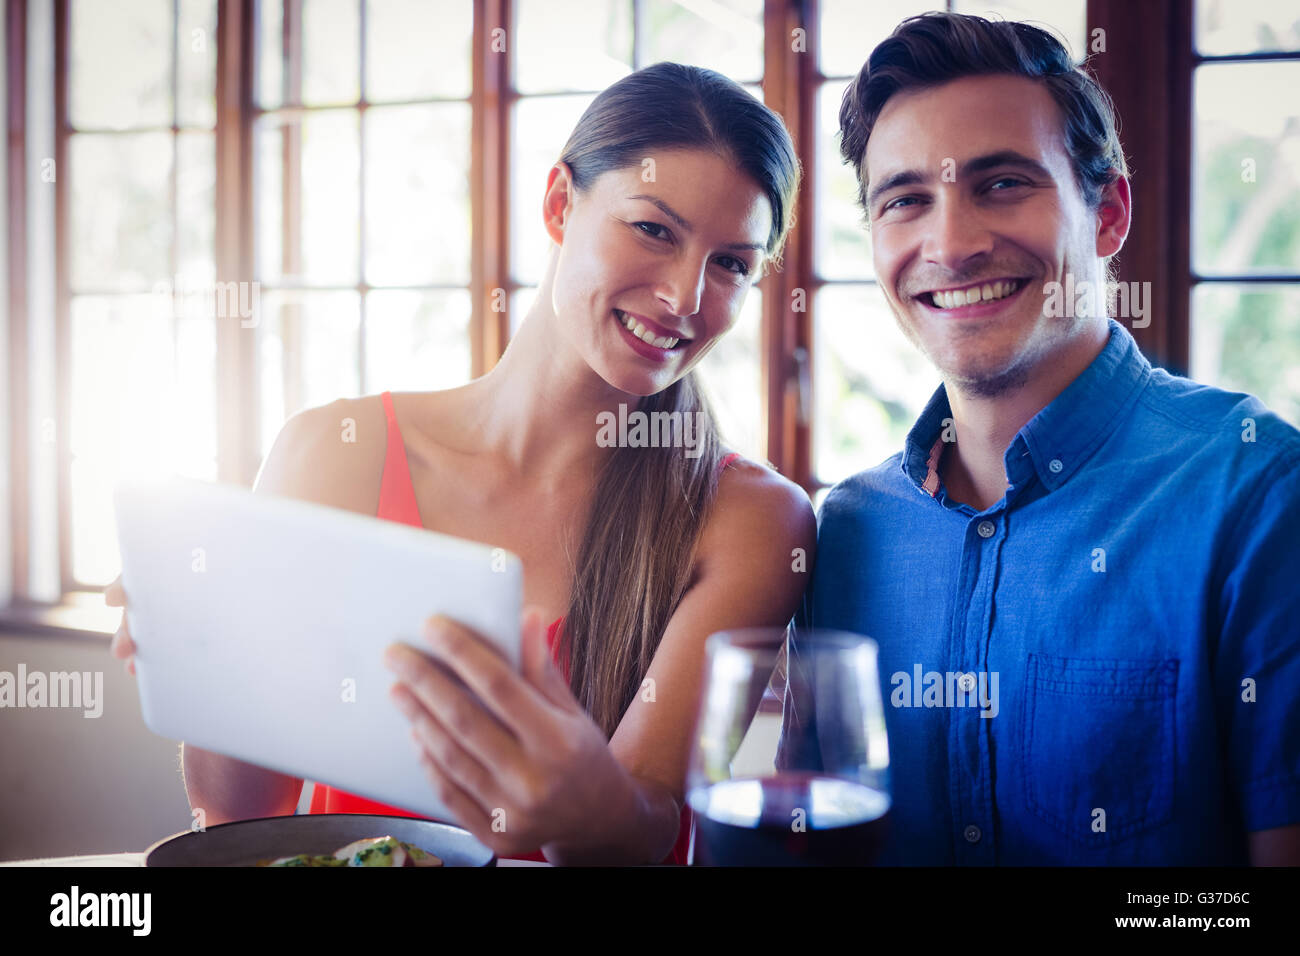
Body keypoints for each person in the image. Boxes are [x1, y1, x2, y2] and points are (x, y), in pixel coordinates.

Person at [108, 61, 815, 866]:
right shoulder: (333, 455)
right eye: (653, 229)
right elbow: (237, 812)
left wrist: (578, 794)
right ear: (559, 204)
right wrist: (204, 651)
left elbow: (646, 836)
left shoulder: (751, 519)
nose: (687, 295)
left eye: (731, 263)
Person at [781, 12, 1300, 865]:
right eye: (905, 200)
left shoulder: (1254, 492)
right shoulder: (846, 533)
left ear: (1108, 214)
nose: (950, 244)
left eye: (1002, 184)